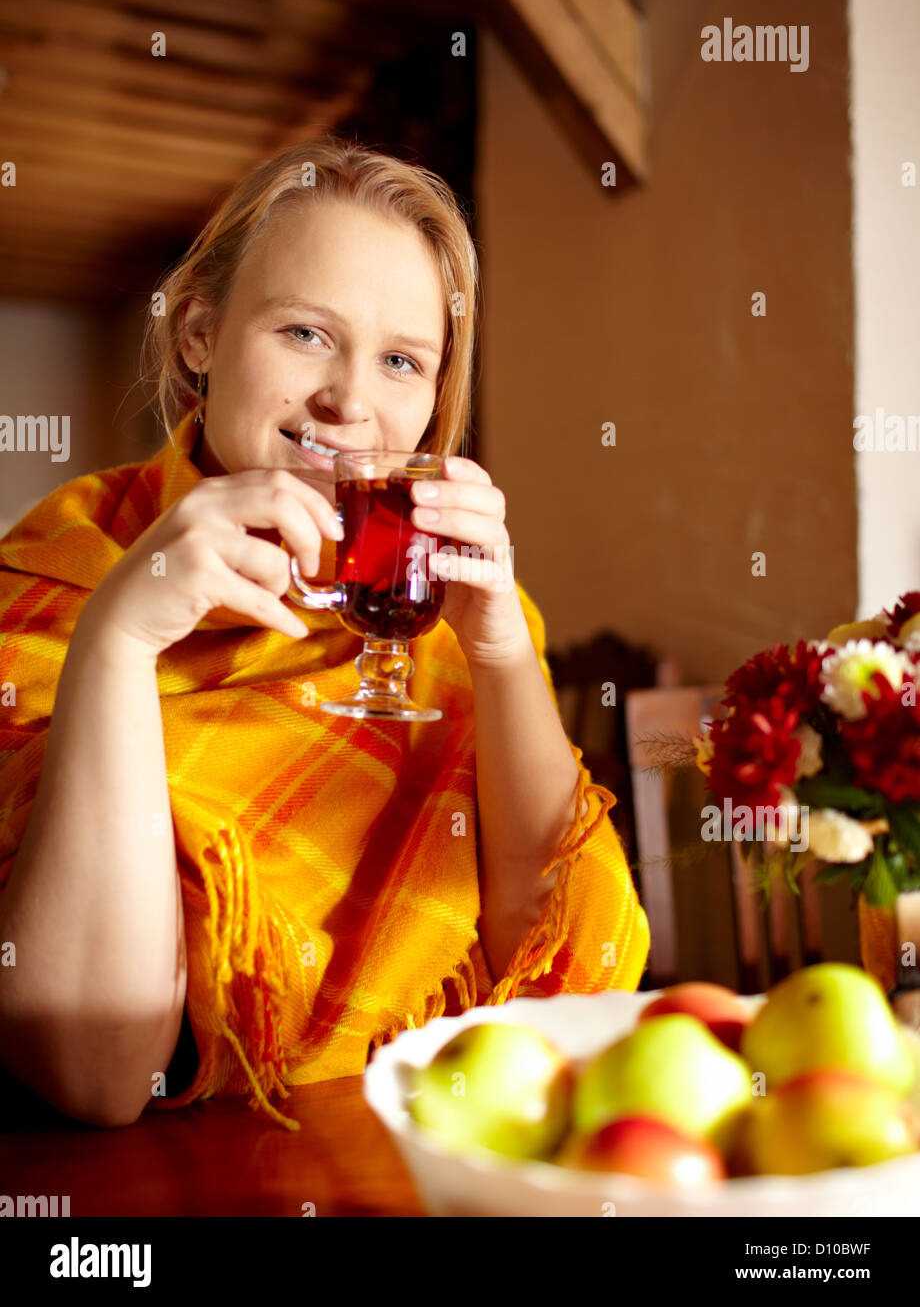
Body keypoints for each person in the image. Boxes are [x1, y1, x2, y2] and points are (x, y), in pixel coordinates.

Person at [0, 138, 650, 1133]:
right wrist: (117, 643)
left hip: (420, 1161)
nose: (352, 401)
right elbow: (96, 1071)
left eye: (400, 359)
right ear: (200, 334)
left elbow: (572, 980)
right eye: (305, 333)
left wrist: (501, 654)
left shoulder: (452, 612)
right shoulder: (48, 580)